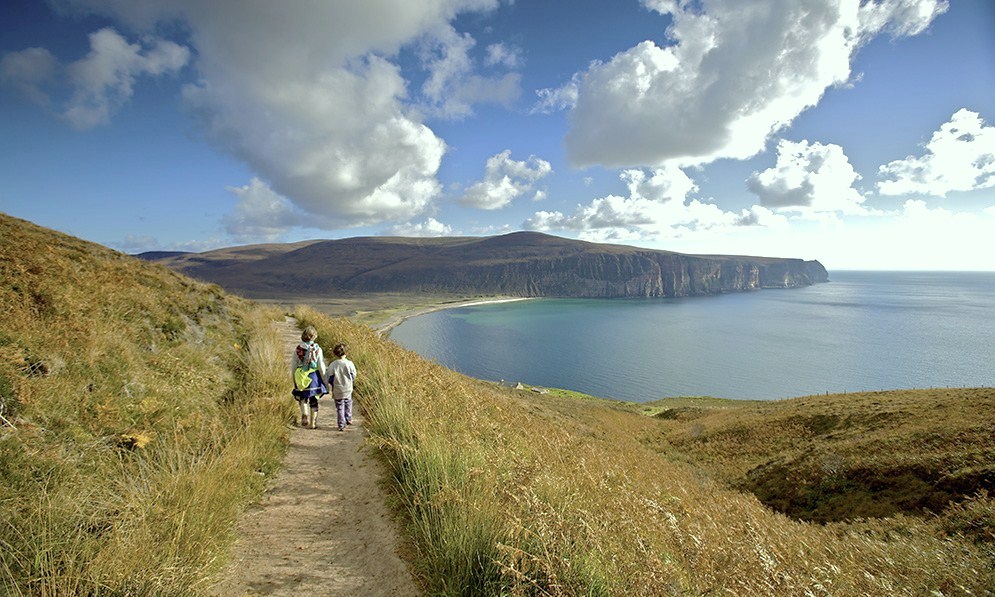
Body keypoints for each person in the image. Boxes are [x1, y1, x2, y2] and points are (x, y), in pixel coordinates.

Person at [291, 326, 327, 429]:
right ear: (314, 336)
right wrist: (324, 379)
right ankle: (313, 423)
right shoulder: (317, 349)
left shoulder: (298, 349)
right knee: (314, 399)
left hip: (301, 375)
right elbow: (321, 365)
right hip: (313, 376)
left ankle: (304, 413)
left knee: (303, 397)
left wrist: (294, 379)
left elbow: (293, 366)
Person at [327, 343, 357, 432]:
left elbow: (330, 376)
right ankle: (348, 418)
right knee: (348, 402)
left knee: (340, 406)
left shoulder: (333, 364)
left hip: (337, 388)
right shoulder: (349, 363)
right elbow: (353, 375)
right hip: (347, 387)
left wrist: (332, 384)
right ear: (346, 352)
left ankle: (341, 424)